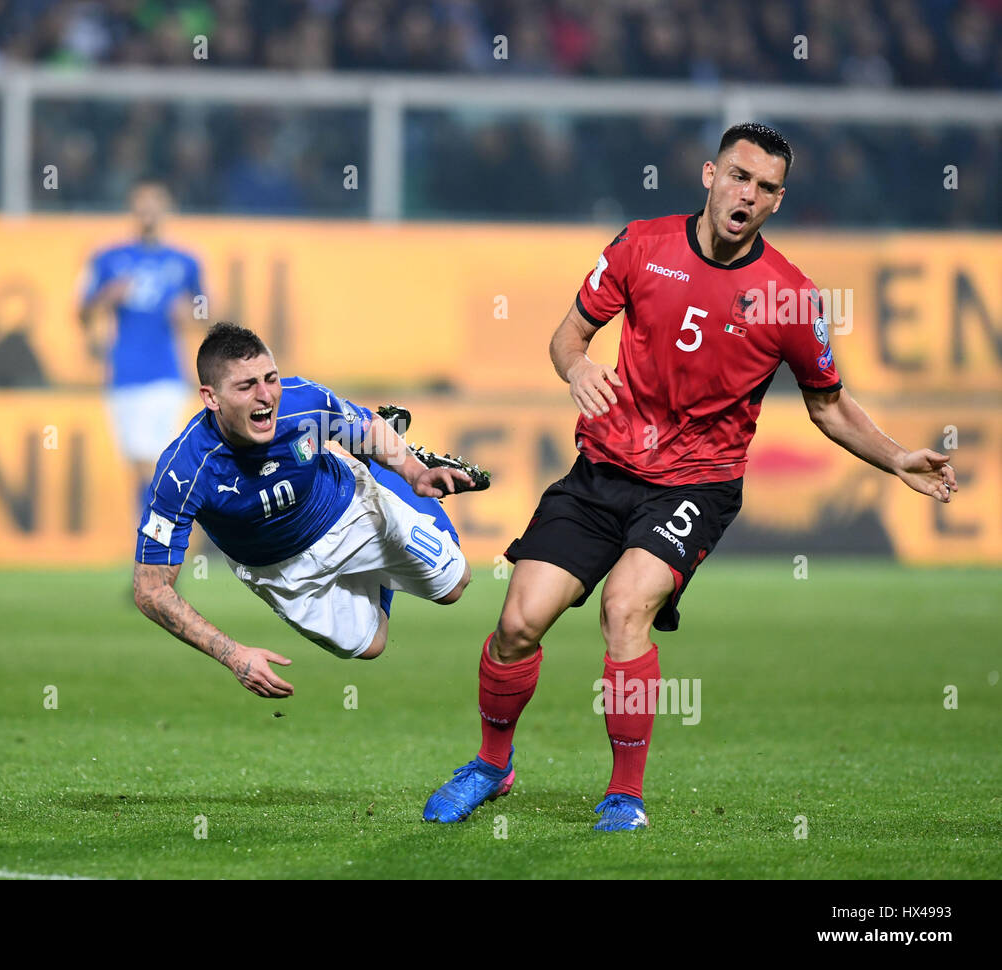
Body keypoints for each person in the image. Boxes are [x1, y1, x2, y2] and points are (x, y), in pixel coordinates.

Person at [422, 122, 958, 830]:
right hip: (604, 468)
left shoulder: (789, 297)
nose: (749, 194)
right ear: (710, 175)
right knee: (518, 622)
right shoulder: (642, 244)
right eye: (739, 176)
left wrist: (897, 457)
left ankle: (625, 795)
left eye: (766, 188)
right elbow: (568, 336)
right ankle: (492, 765)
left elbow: (827, 405)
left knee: (626, 607)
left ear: (778, 202)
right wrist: (579, 368)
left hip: (694, 486)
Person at [132, 323, 487, 696]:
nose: (266, 396)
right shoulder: (183, 471)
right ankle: (385, 543)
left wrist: (415, 472)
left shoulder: (304, 401)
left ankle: (381, 473)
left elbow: (364, 426)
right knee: (371, 645)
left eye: (270, 378)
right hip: (278, 568)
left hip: (348, 509)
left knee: (454, 586)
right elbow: (150, 589)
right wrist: (233, 655)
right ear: (211, 397)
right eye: (246, 386)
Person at [79, 179, 204, 530]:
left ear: (167, 211)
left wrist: (190, 312)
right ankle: (152, 547)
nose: (148, 213)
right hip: (124, 375)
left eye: (155, 205)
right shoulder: (109, 259)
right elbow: (82, 314)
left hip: (166, 375)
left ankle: (154, 550)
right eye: (141, 206)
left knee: (160, 464)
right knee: (137, 466)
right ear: (132, 211)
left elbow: (209, 311)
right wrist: (106, 297)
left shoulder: (185, 261)